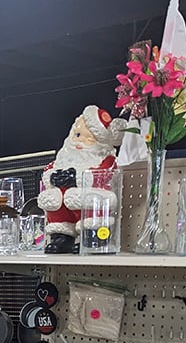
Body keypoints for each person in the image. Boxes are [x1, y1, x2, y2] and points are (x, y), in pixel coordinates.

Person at [37, 105, 127, 253]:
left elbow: (104, 175)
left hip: (93, 199)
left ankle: (93, 236)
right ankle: (62, 236)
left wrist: (77, 178)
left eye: (89, 139)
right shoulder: (63, 157)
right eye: (78, 136)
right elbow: (49, 169)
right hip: (64, 201)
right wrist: (53, 177)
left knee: (86, 200)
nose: (80, 142)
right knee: (53, 198)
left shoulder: (105, 159)